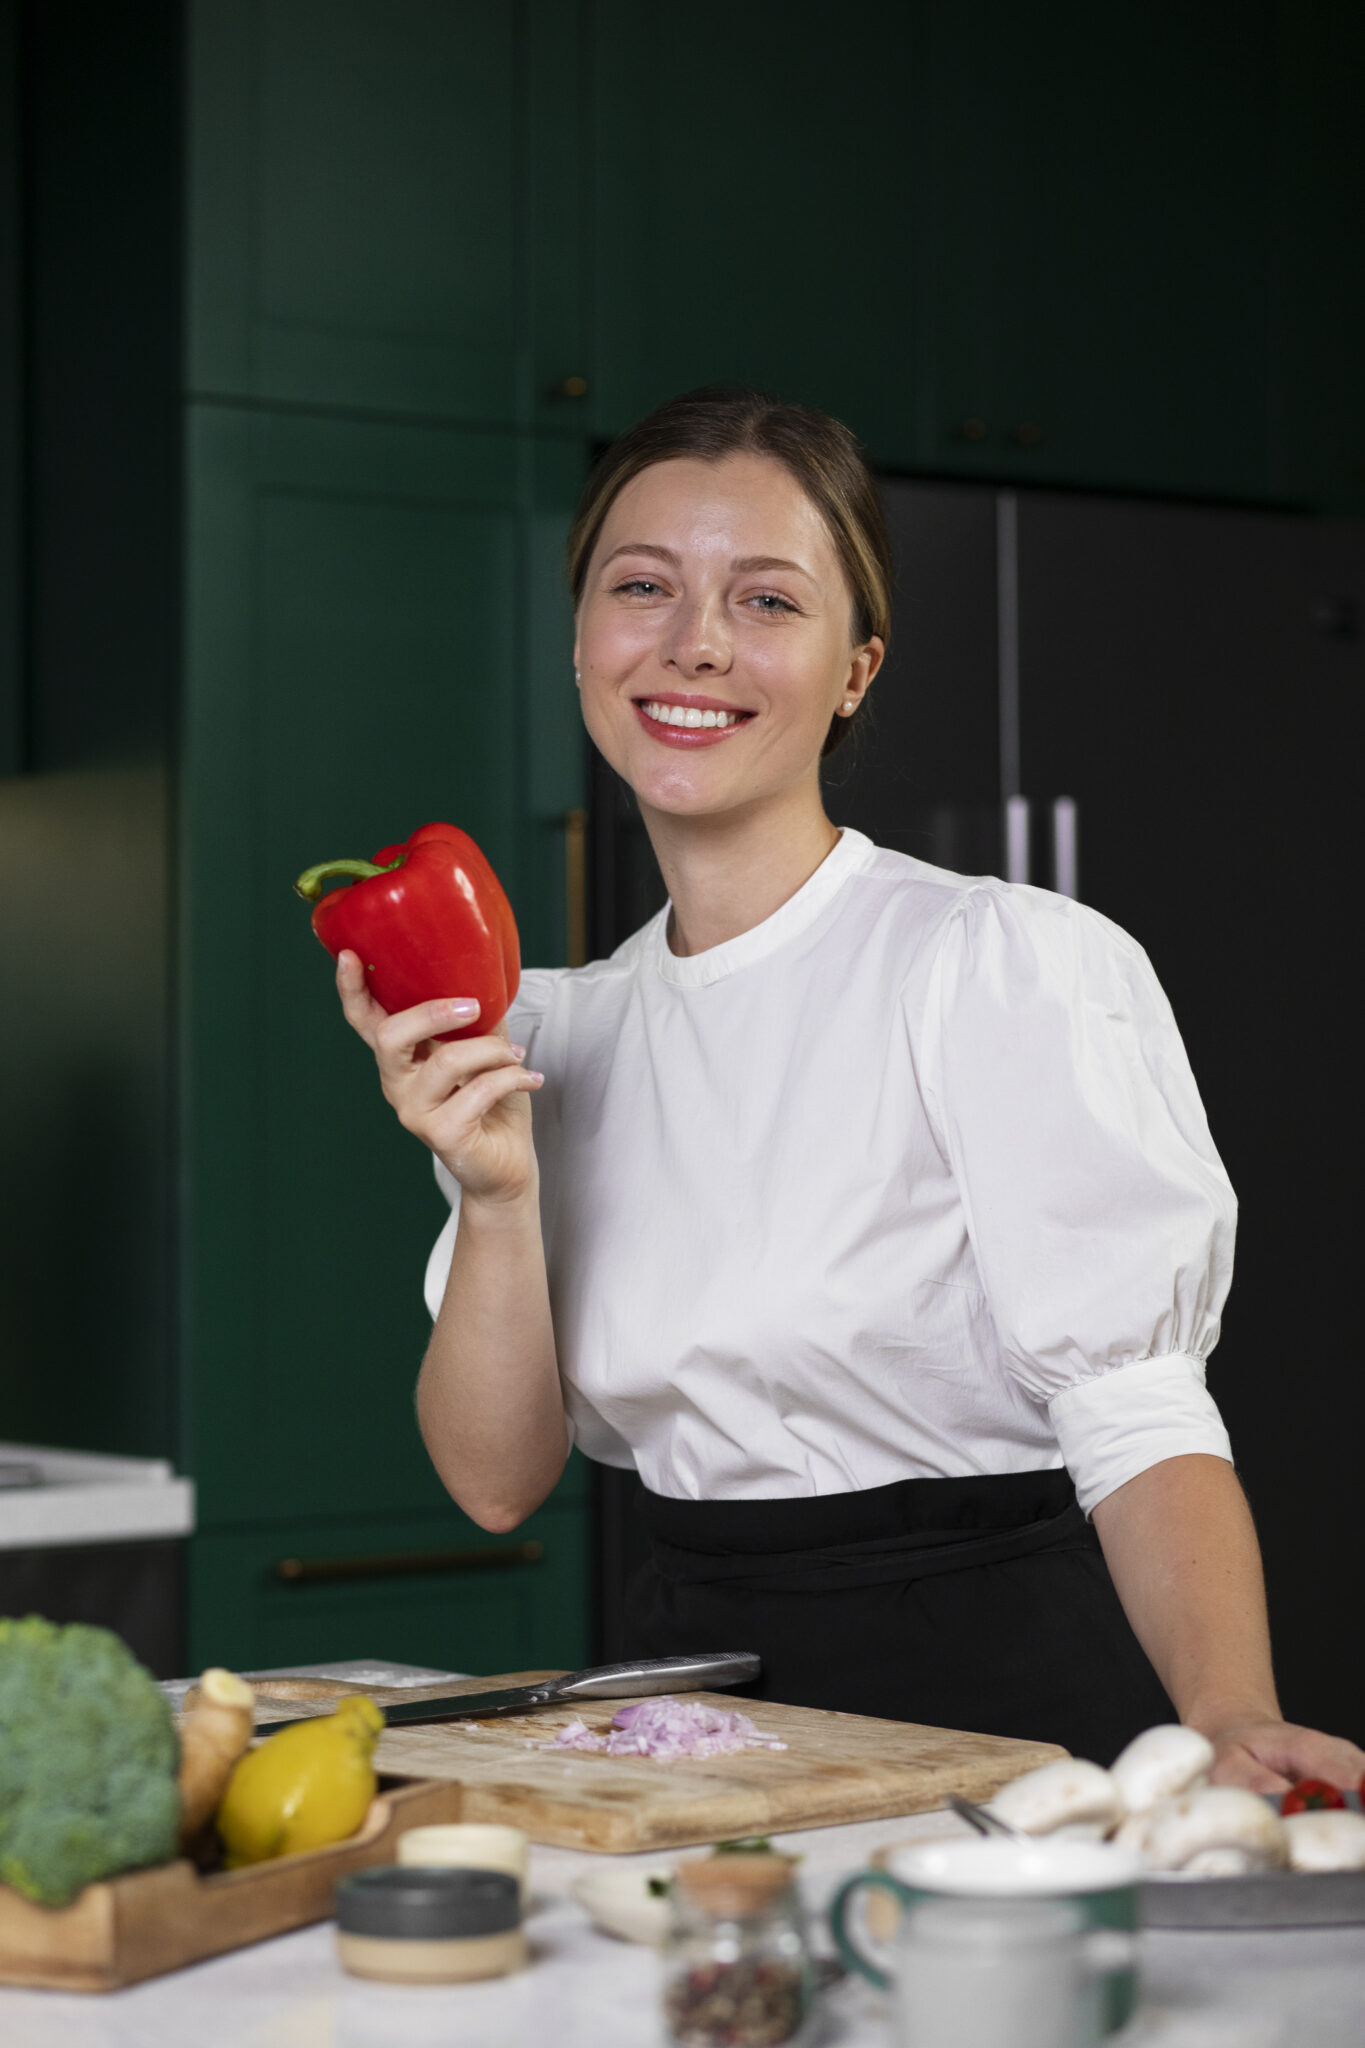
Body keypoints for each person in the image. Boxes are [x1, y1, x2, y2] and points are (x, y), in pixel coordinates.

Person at [336, 384, 1363, 1782]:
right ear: (580, 636)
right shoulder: (550, 1029)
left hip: (995, 1704)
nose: (694, 643)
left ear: (856, 665)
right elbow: (495, 1482)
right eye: (642, 586)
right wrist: (496, 1191)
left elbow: (1134, 1406)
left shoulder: (991, 962)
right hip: (690, 1720)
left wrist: (1229, 1716)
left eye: (766, 601)